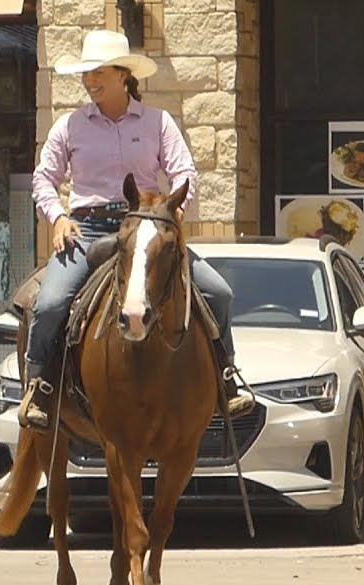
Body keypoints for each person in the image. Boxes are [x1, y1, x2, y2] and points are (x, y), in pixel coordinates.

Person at [18, 29, 255, 430]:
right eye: (86, 73)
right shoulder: (69, 126)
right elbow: (44, 178)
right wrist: (57, 217)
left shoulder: (158, 123)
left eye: (98, 73)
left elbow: (184, 172)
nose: (90, 81)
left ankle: (226, 376)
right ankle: (38, 387)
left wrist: (175, 211)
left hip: (147, 226)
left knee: (219, 292)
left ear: (123, 75)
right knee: (51, 303)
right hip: (87, 230)